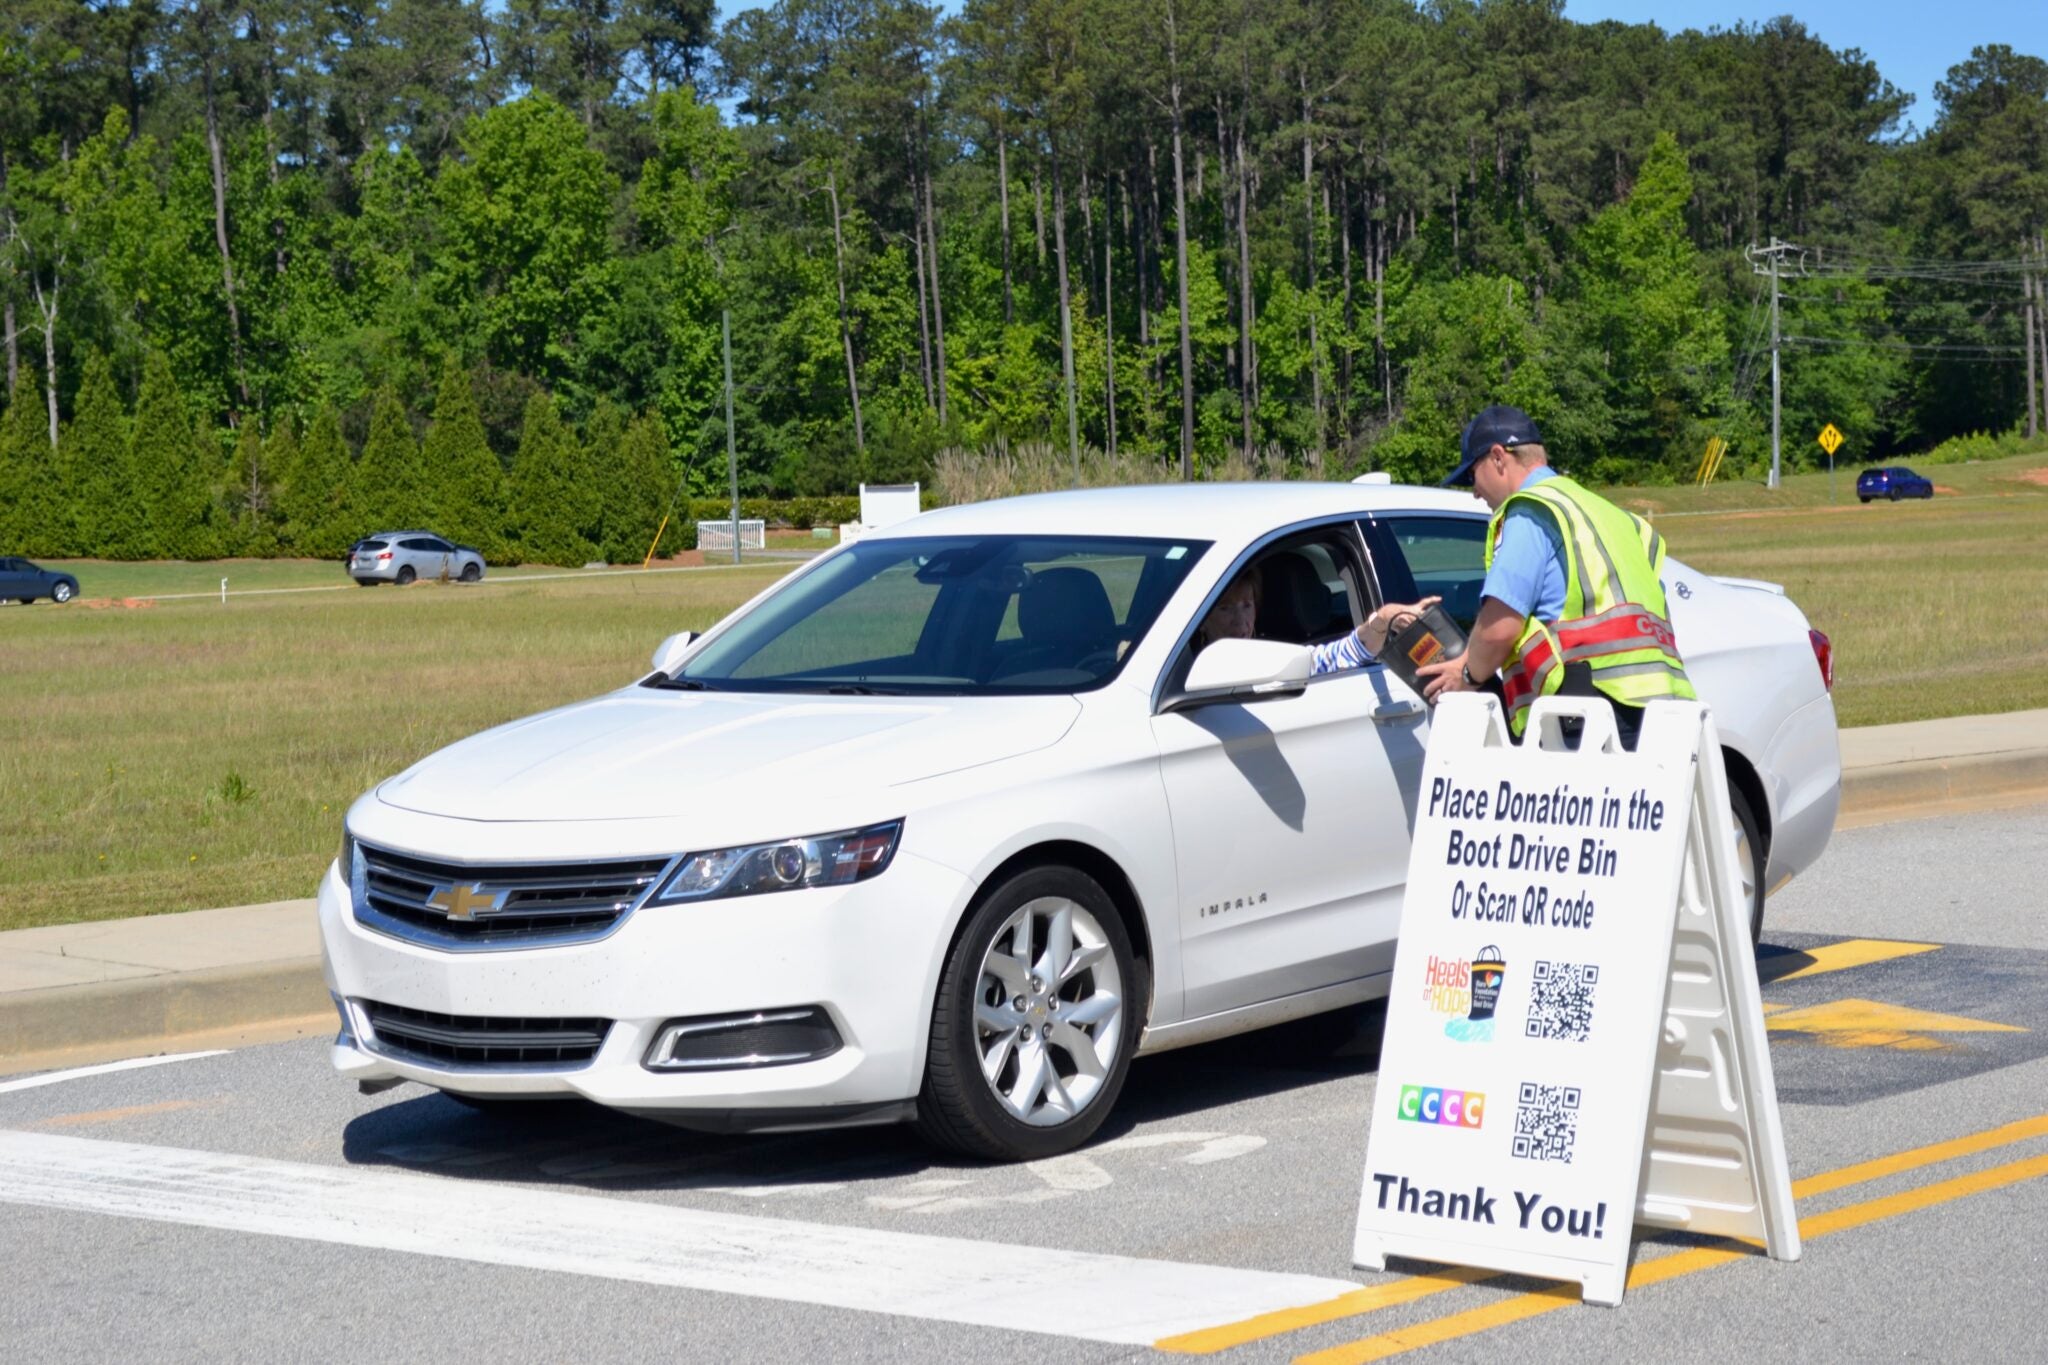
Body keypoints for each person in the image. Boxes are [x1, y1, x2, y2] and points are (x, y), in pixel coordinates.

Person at [1415, 405, 1694, 748]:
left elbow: (1500, 625)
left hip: (1592, 714)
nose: (1474, 492)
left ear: (1498, 458)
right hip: (1664, 708)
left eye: (1472, 475)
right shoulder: (1608, 513)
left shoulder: (1531, 512)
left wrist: (1468, 673)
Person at [1195, 561, 1440, 675]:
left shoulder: (1270, 659)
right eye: (1225, 609)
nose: (1240, 621)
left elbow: (1344, 653)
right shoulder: (1178, 675)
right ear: (1202, 620)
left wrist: (1383, 620)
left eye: (1247, 605)